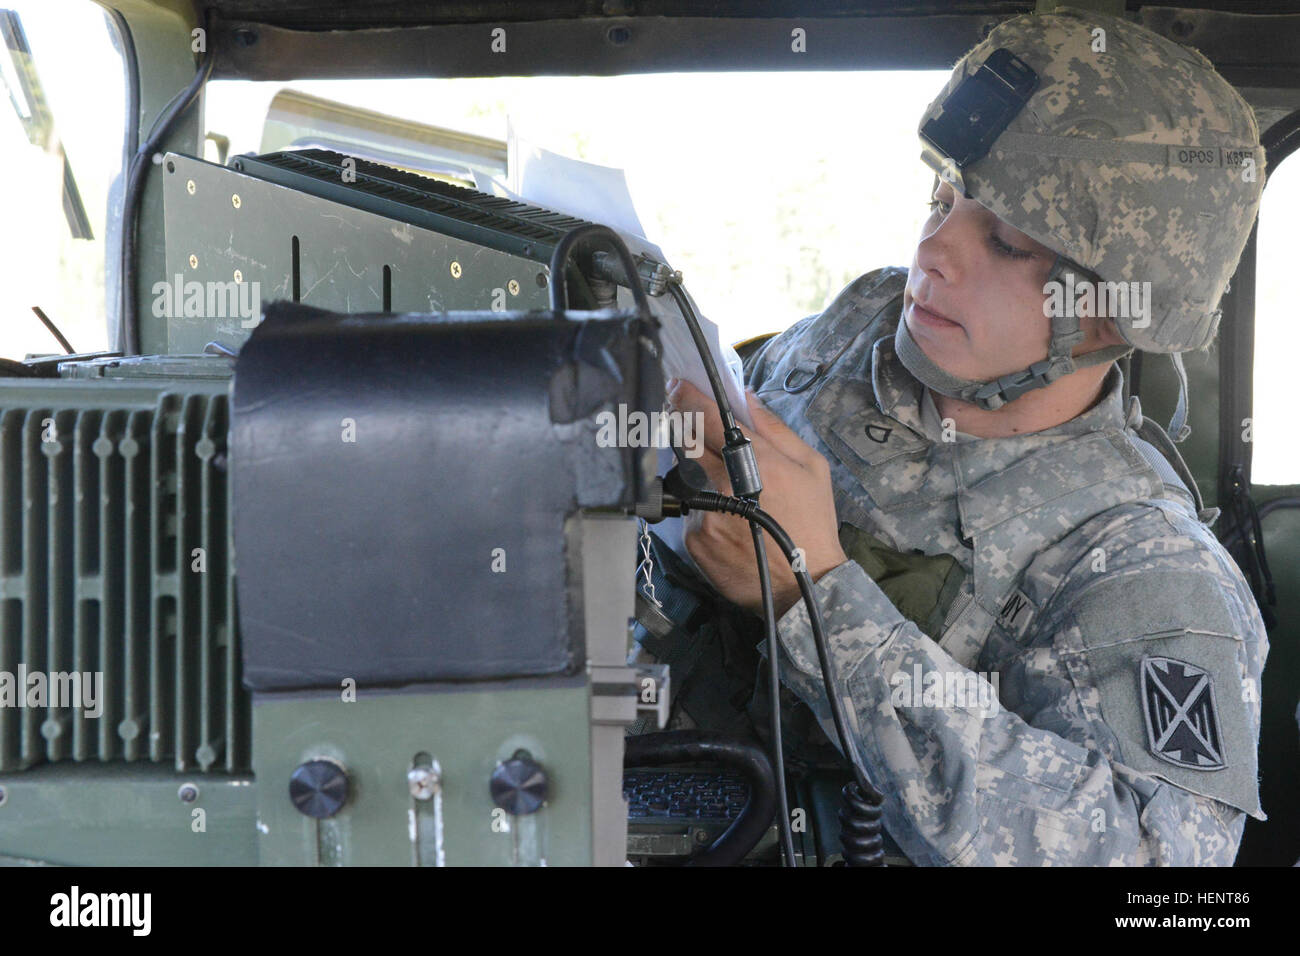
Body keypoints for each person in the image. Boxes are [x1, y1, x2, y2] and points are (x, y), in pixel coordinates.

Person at [659, 8, 1268, 865]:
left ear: (1111, 314)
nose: (933, 251)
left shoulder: (1143, 567)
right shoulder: (853, 333)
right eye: (942, 198)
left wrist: (813, 598)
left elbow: (1155, 867)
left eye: (1009, 241)